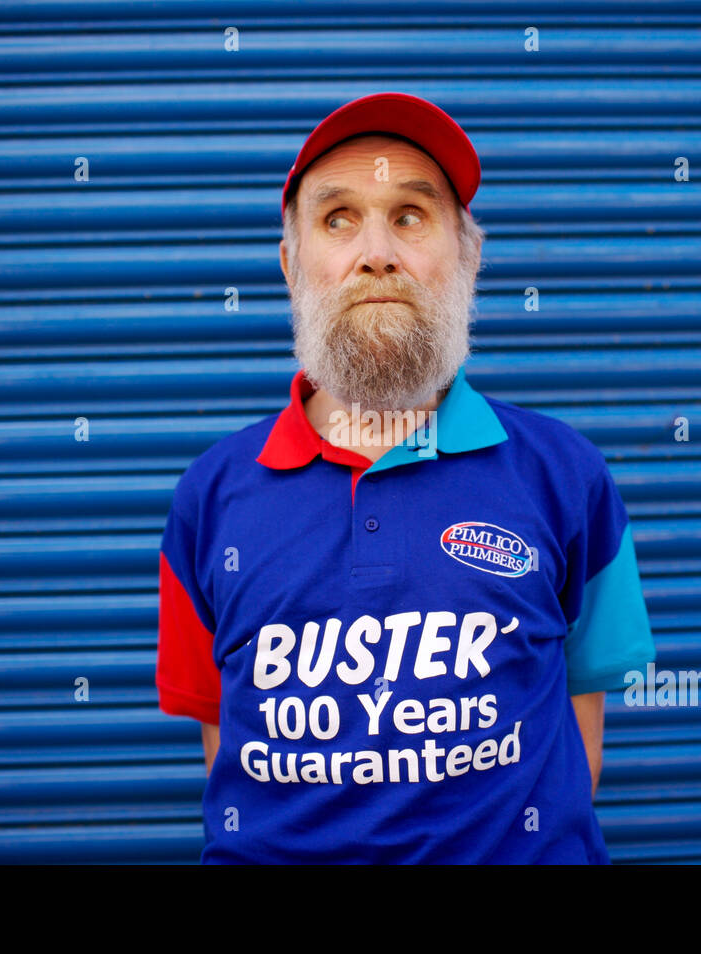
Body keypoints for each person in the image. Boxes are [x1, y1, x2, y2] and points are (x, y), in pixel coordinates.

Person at [156, 92, 656, 863]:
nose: (377, 252)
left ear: (468, 256)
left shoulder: (566, 477)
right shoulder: (210, 499)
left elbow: (577, 739)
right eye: (338, 218)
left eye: (412, 215)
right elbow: (226, 747)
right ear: (292, 265)